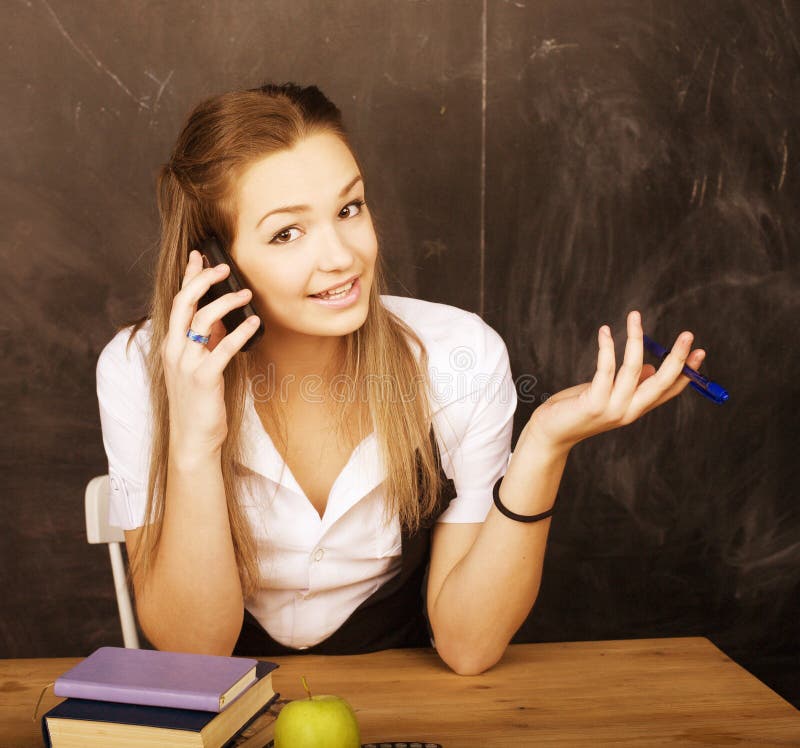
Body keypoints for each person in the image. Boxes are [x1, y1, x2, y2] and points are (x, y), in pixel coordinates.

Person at [96, 82, 706, 675]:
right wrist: (196, 442)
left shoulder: (458, 355)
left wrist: (545, 442)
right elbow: (193, 654)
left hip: (411, 698)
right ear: (216, 266)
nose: (341, 256)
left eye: (349, 208)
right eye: (287, 232)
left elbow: (468, 647)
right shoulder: (138, 369)